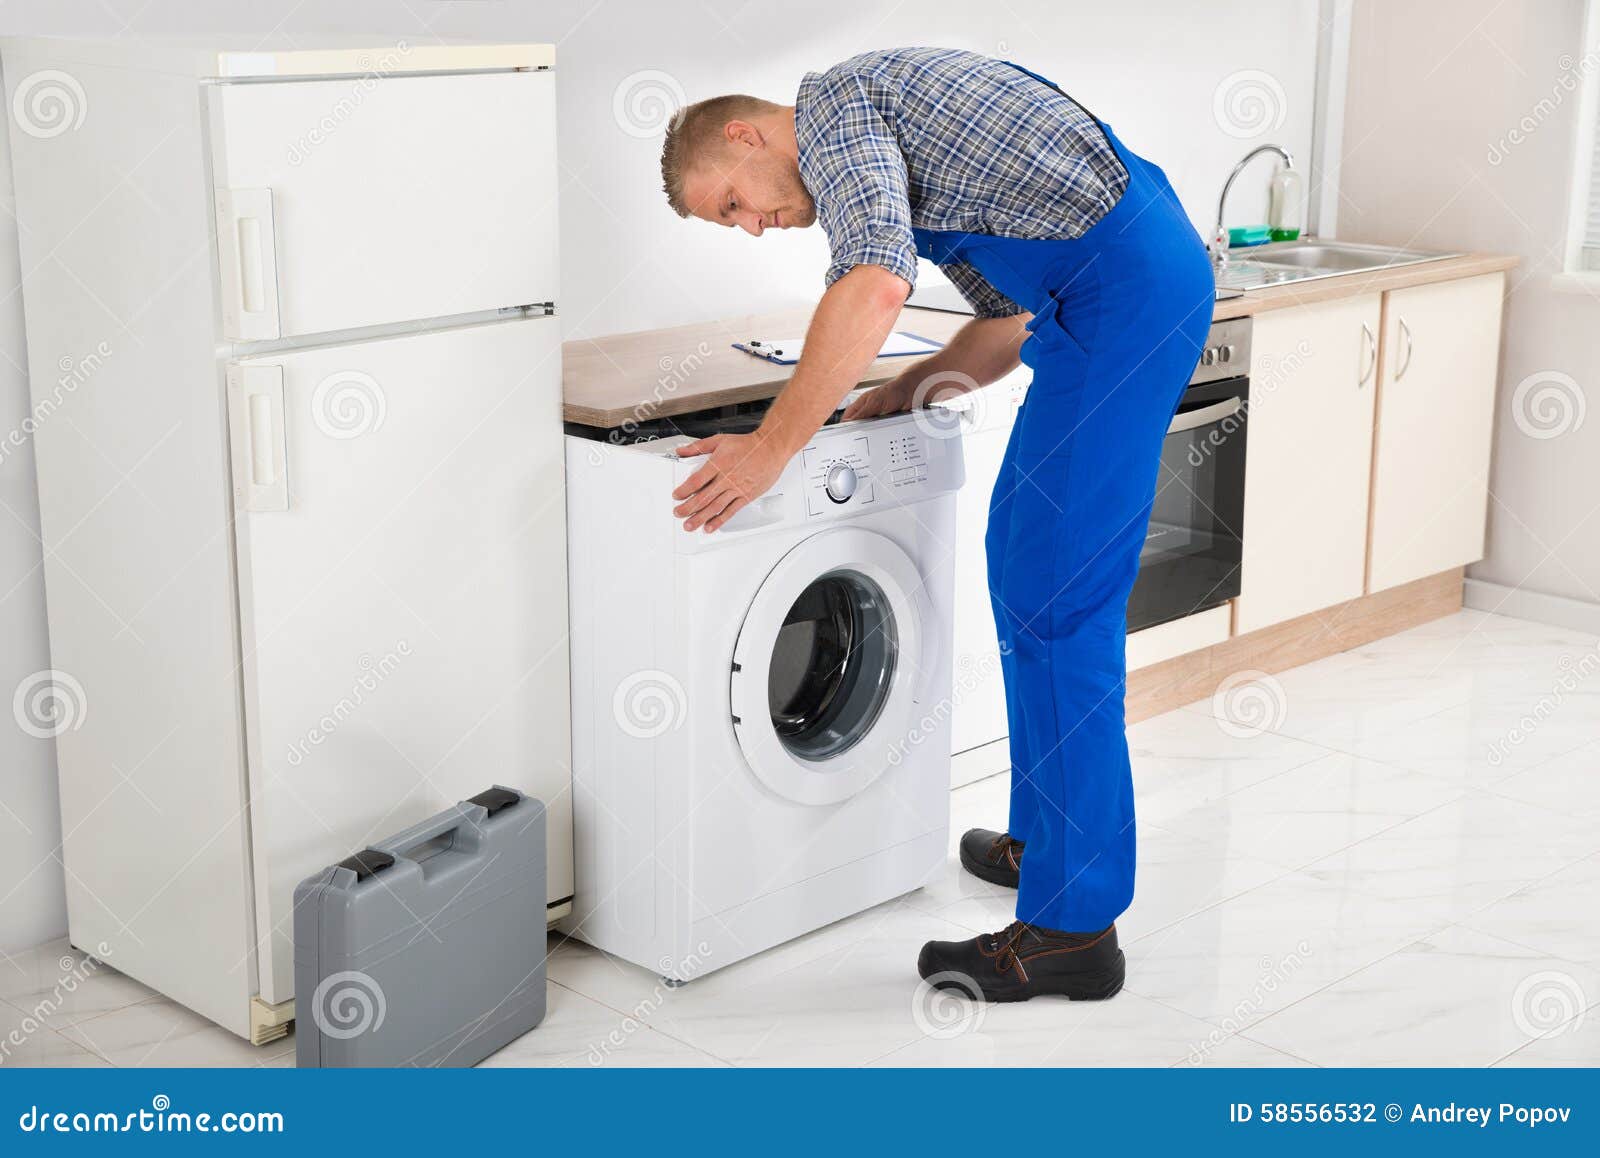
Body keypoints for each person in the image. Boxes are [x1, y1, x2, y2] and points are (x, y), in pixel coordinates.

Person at [659, 46, 1213, 1001]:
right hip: (1110, 296)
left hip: (1125, 299)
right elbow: (1004, 323)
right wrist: (915, 385)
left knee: (1062, 601)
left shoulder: (838, 114)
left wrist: (771, 449)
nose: (752, 227)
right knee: (1026, 567)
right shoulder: (892, 139)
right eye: (733, 223)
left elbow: (874, 285)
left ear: (746, 135)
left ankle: (1072, 928)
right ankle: (1046, 839)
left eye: (733, 203)